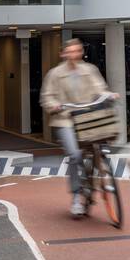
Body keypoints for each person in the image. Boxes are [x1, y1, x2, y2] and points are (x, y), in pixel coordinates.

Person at [41, 39, 117, 217]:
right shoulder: (55, 74)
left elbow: (100, 88)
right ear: (63, 54)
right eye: (70, 51)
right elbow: (47, 97)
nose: (74, 55)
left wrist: (109, 95)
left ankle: (95, 175)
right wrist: (55, 106)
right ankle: (76, 195)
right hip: (65, 119)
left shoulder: (90, 70)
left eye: (77, 51)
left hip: (88, 117)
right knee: (74, 155)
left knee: (98, 147)